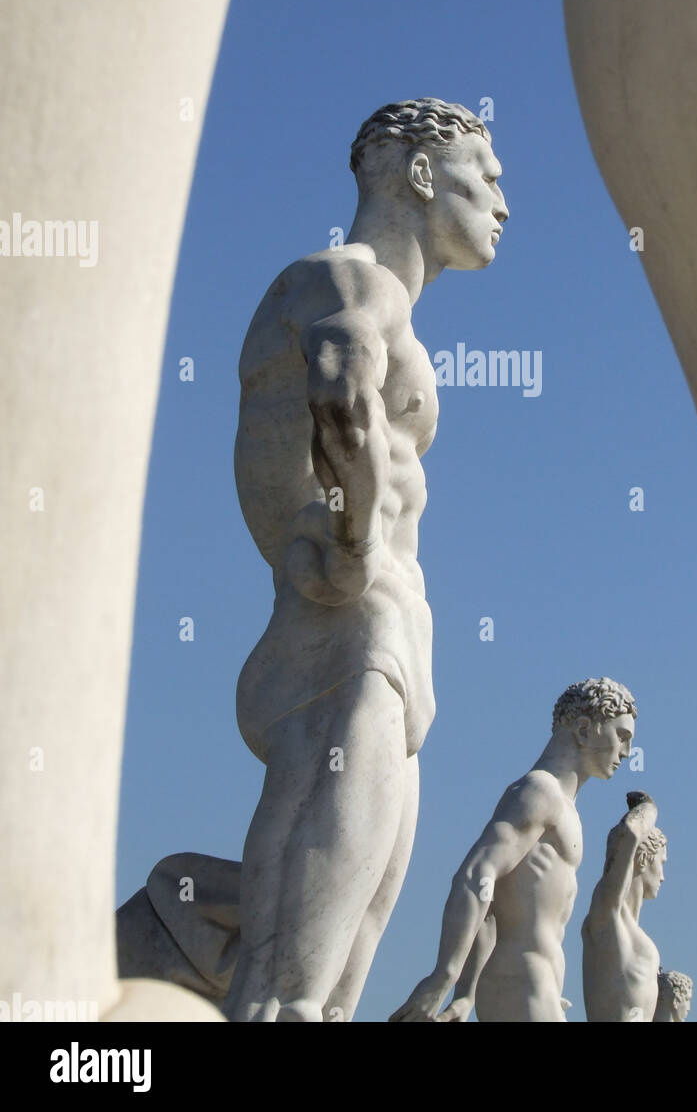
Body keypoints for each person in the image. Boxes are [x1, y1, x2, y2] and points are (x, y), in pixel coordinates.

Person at [224, 99, 508, 1022]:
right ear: (420, 174)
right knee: (289, 996)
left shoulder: (388, 309)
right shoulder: (349, 279)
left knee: (328, 994)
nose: (503, 202)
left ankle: (168, 929)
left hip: (386, 652)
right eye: (487, 174)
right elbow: (340, 391)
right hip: (345, 646)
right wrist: (348, 543)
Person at [390, 677, 637, 1023]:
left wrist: (466, 995)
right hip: (522, 986)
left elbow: (493, 906)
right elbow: (477, 874)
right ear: (584, 729)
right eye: (621, 736)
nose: (626, 753)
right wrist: (443, 977)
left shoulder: (564, 808)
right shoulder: (539, 792)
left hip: (534, 989)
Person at [582, 790, 668, 1022]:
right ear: (642, 859)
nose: (663, 877)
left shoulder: (628, 927)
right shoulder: (609, 914)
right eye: (661, 864)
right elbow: (630, 833)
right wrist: (649, 808)